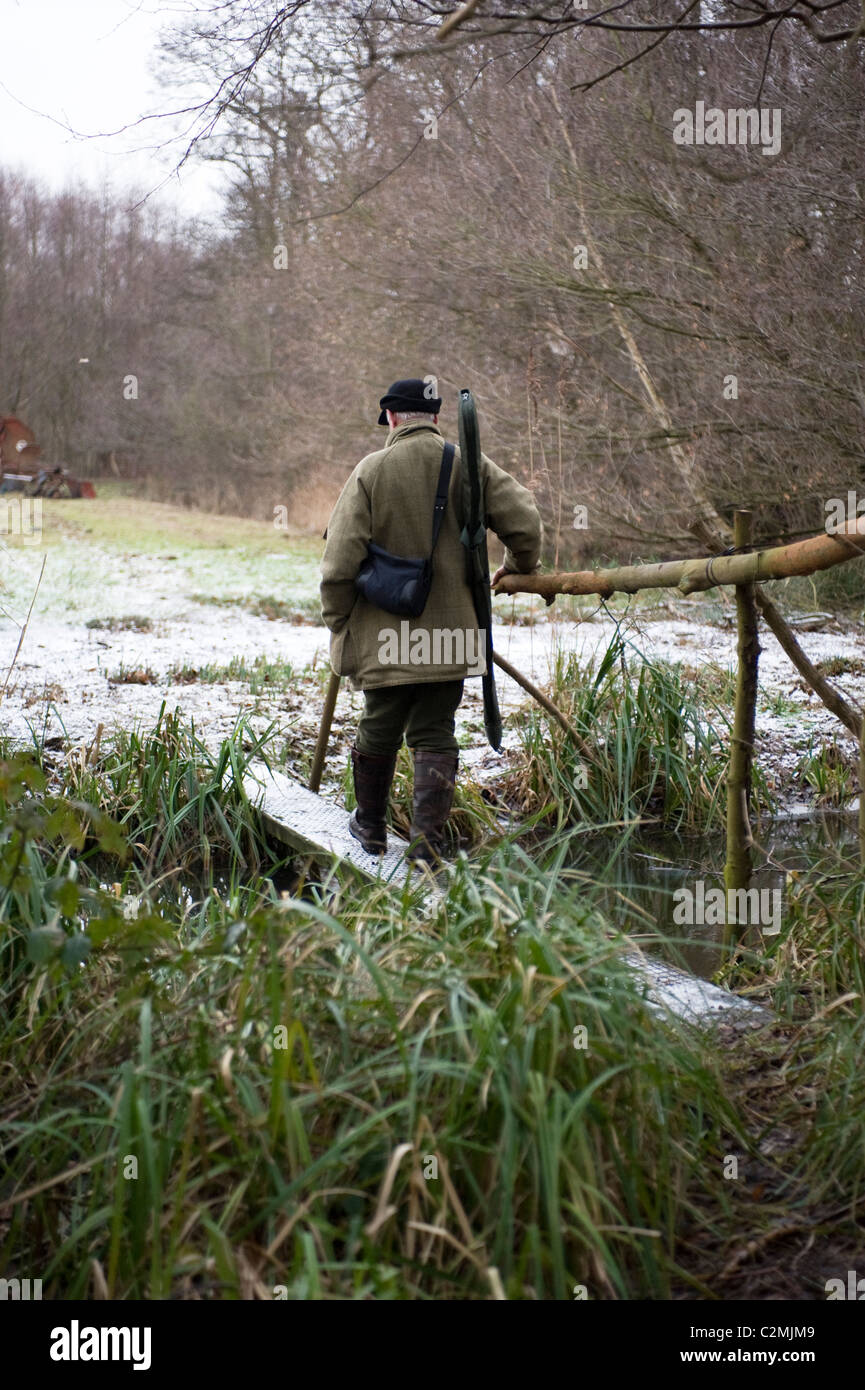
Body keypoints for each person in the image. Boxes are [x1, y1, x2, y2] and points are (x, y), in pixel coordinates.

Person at [320, 378, 542, 865]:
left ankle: (371, 828)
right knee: (435, 731)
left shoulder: (371, 471)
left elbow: (339, 562)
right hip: (452, 634)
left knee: (378, 725)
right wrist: (521, 566)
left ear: (393, 419)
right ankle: (428, 846)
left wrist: (337, 618)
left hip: (384, 636)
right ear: (436, 418)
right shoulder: (468, 463)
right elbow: (524, 521)